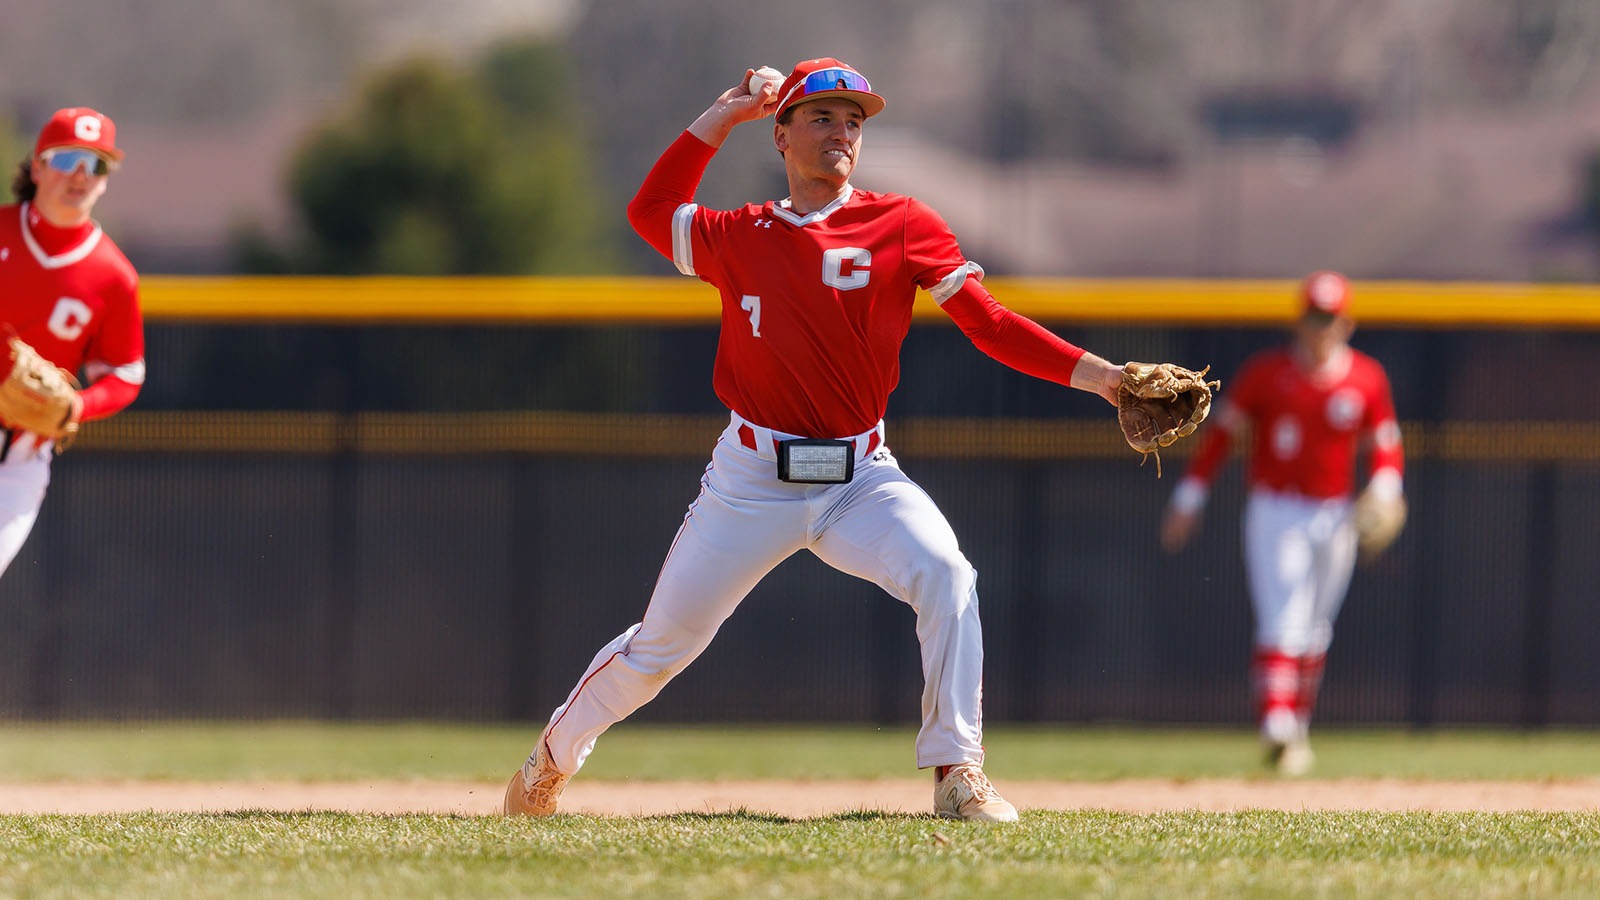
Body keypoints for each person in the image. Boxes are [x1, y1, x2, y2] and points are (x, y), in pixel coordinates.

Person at [503, 57, 1186, 822]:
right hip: (750, 479)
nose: (843, 132)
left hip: (860, 475)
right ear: (782, 134)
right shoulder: (741, 234)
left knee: (948, 576)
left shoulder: (902, 223)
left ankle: (957, 773)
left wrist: (1108, 379)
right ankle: (546, 766)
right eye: (824, 117)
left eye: (855, 120)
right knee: (661, 649)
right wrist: (720, 118)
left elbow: (989, 324)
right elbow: (649, 208)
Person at [1159, 270, 1403, 775]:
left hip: (1335, 514)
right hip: (1277, 509)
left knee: (1316, 629)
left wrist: (1385, 487)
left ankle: (1295, 729)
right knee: (1283, 616)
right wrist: (1190, 494)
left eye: (1331, 318)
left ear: (1347, 323)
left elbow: (1385, 444)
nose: (1322, 328)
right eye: (1315, 317)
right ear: (1299, 321)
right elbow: (1221, 438)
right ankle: (1276, 724)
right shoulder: (1266, 374)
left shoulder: (1366, 377)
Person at [0, 107, 145, 576]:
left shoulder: (113, 276)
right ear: (38, 166)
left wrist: (76, 407)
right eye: (67, 160)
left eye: (97, 163)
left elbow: (124, 375)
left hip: (17, 462)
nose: (81, 175)